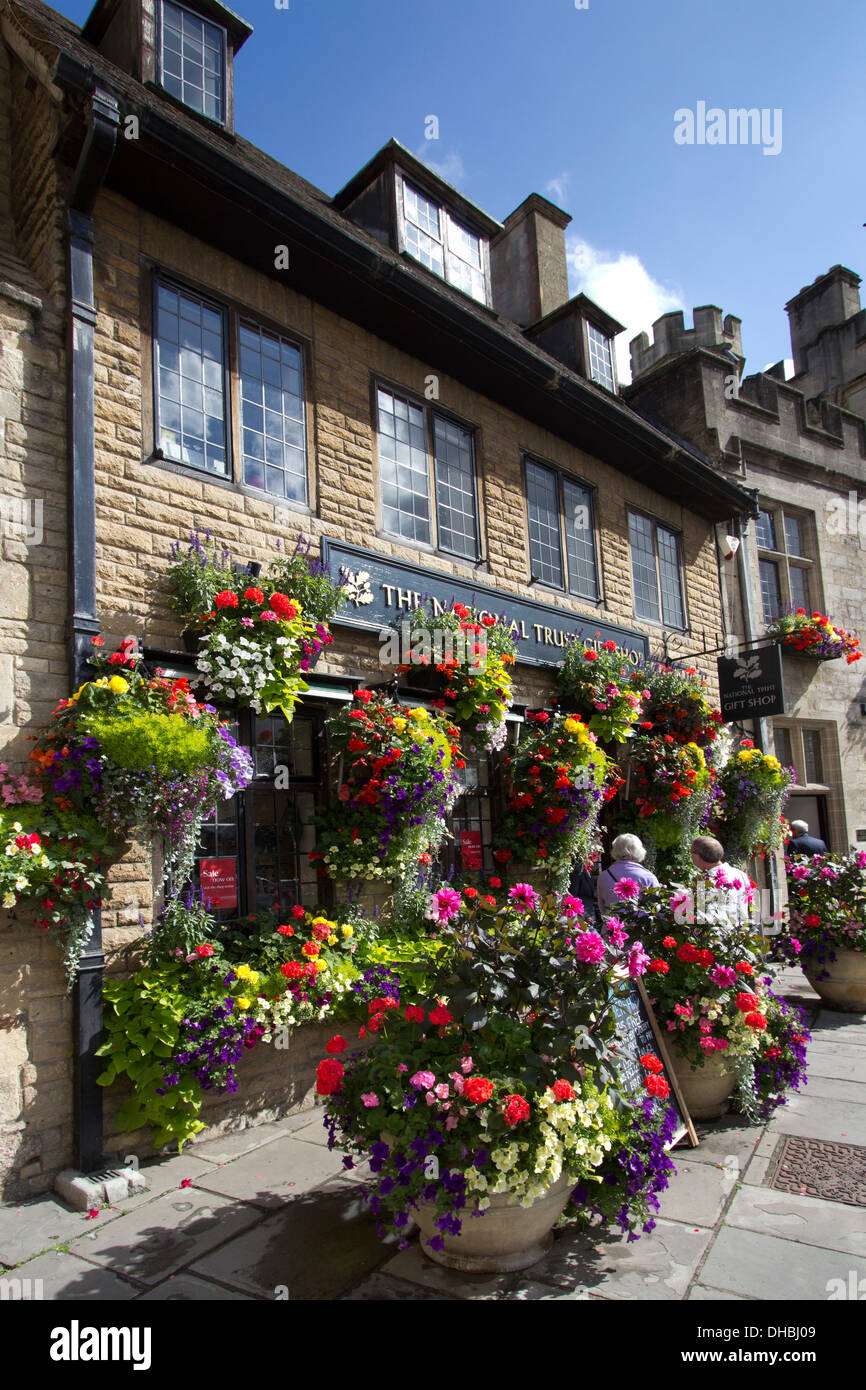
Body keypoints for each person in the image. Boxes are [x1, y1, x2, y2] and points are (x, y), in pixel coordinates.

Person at [690, 835, 753, 924]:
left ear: (697, 856)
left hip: (719, 934)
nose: (691, 856)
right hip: (739, 932)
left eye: (691, 853)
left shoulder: (708, 882)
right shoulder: (740, 874)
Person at [596, 833, 659, 916]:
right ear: (639, 850)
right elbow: (656, 908)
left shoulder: (603, 876)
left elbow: (602, 909)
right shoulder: (648, 877)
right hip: (639, 927)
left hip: (613, 927)